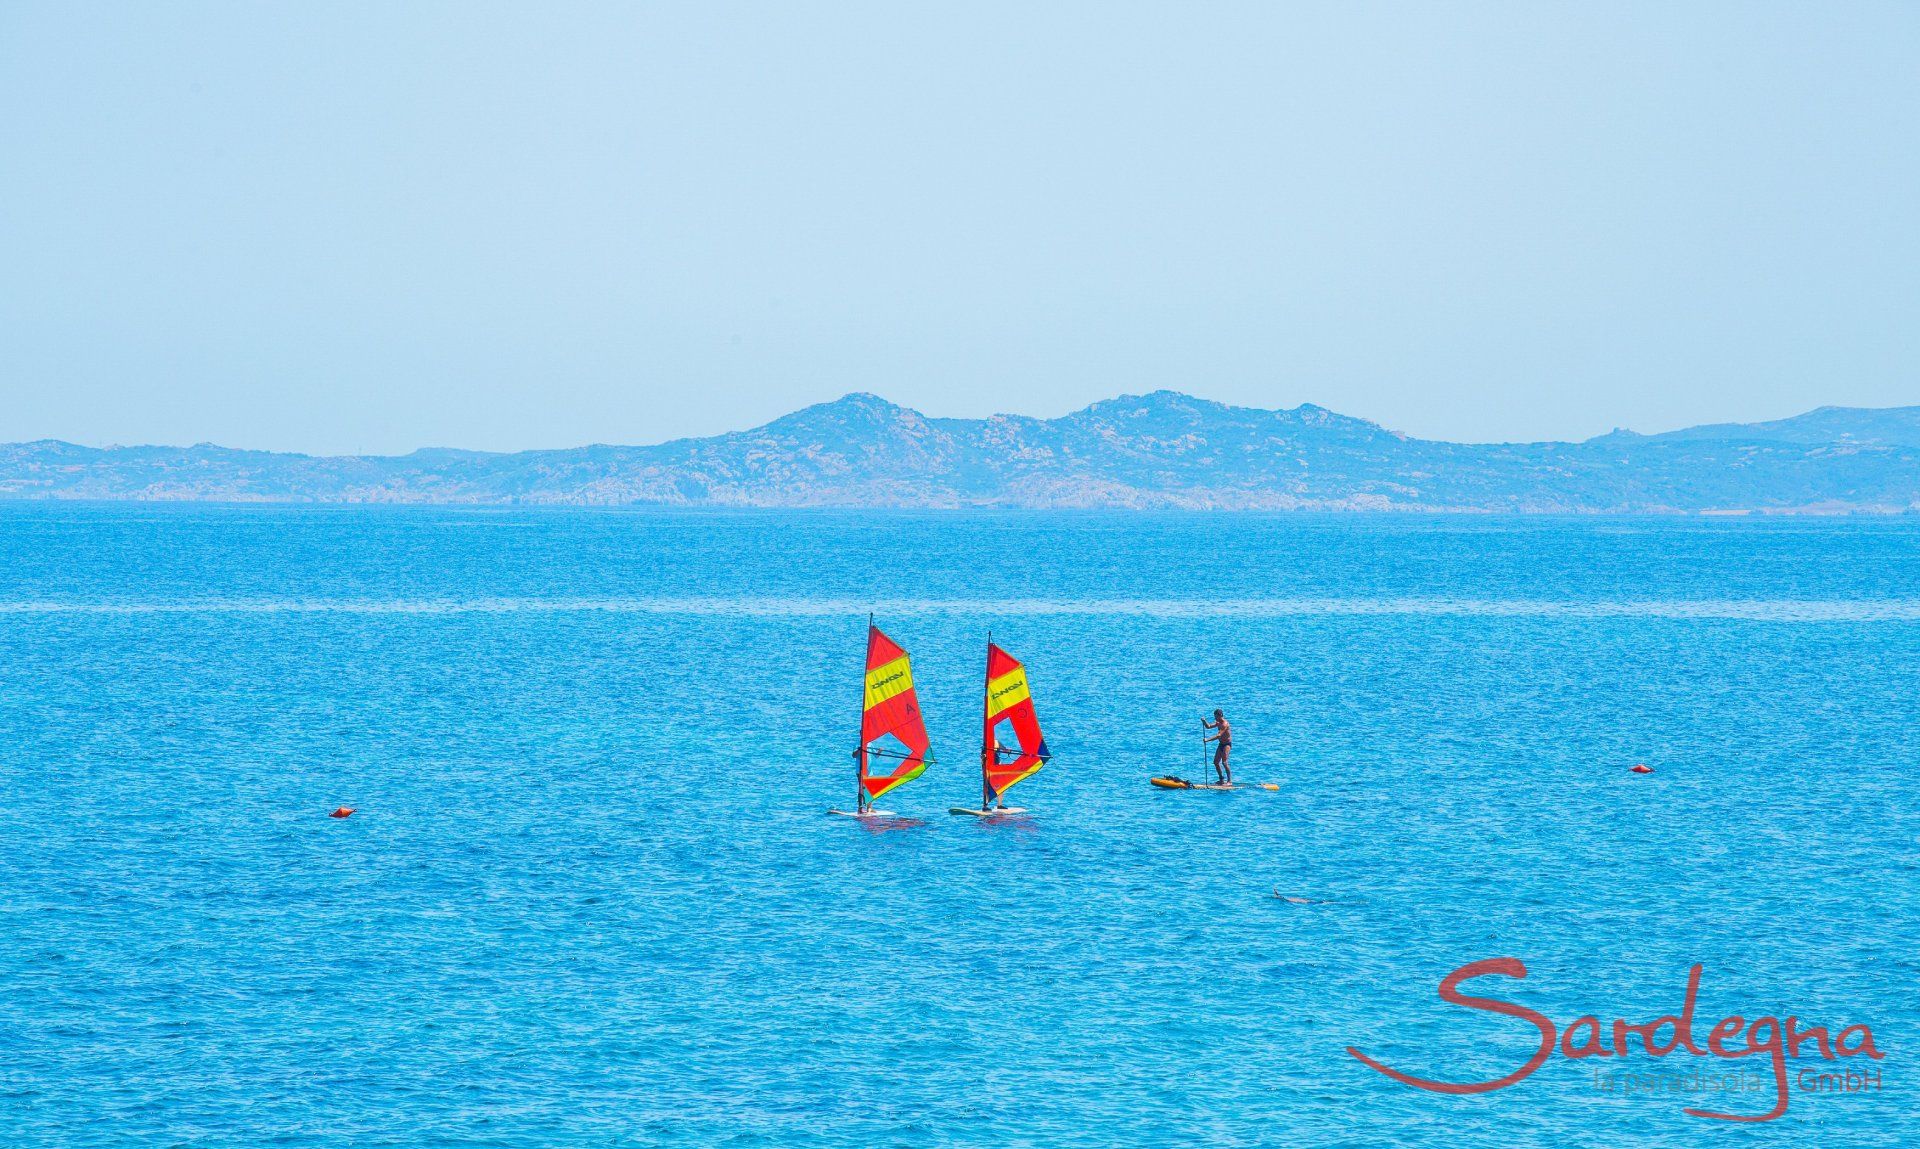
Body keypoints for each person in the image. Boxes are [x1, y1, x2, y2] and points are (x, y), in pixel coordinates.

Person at [1202, 709, 1232, 785]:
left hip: (1227, 745)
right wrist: (1204, 721)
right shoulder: (1218, 722)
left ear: (1220, 716)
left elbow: (1219, 735)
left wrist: (1207, 740)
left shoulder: (1225, 724)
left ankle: (1229, 781)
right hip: (1221, 744)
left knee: (1224, 762)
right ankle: (1221, 779)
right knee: (1216, 762)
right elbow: (1208, 726)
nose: (1215, 718)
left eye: (1216, 716)